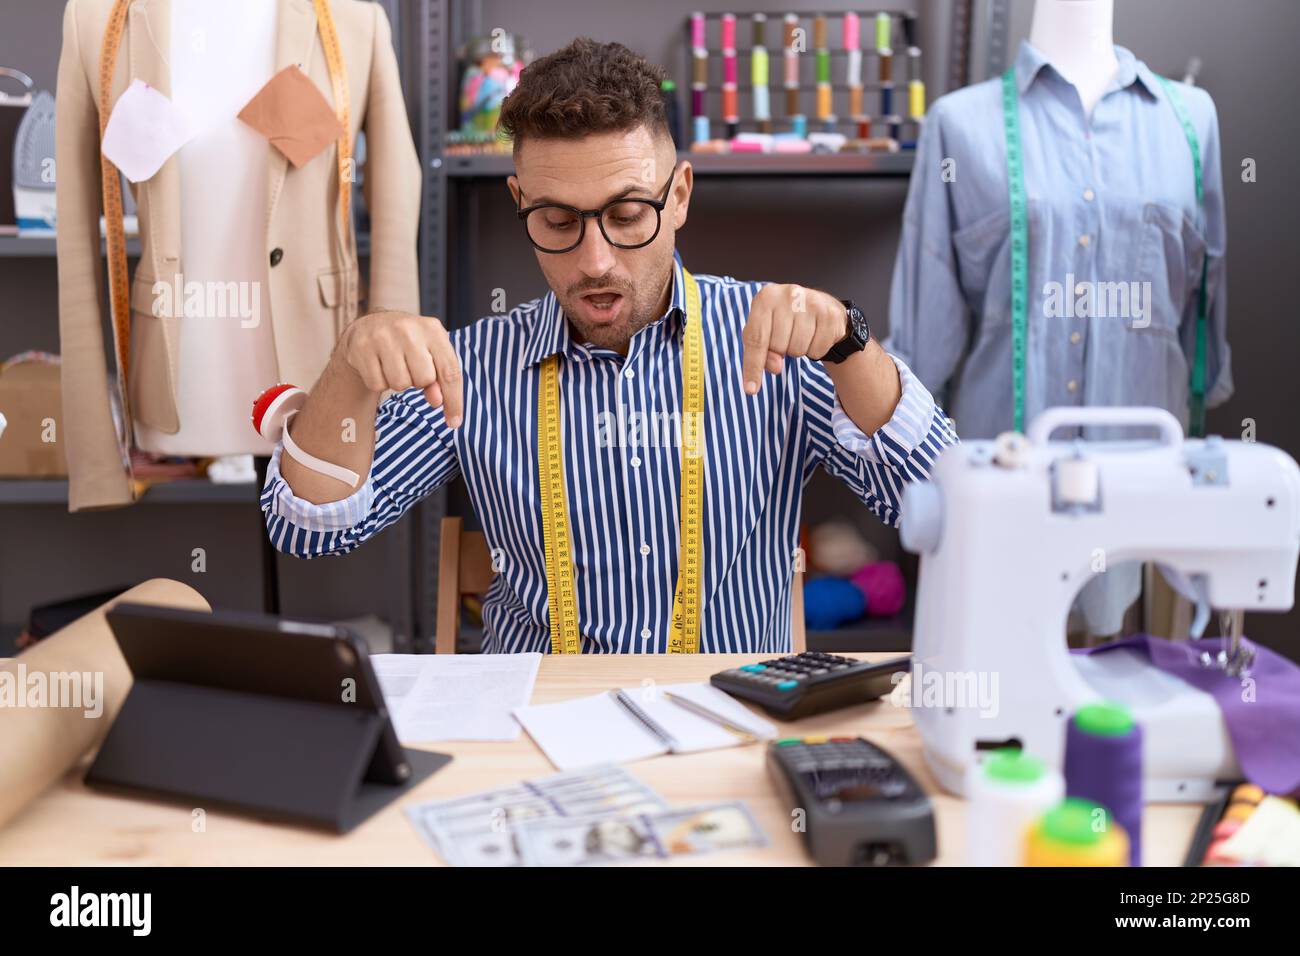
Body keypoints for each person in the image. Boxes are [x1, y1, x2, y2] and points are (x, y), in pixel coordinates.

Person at [261, 38, 958, 653]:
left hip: (732, 731)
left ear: (679, 195)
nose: (595, 259)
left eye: (628, 214)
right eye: (558, 220)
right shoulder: (471, 367)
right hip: (534, 736)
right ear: (519, 202)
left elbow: (942, 504)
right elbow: (308, 529)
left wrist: (848, 342)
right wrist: (350, 362)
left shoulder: (773, 342)